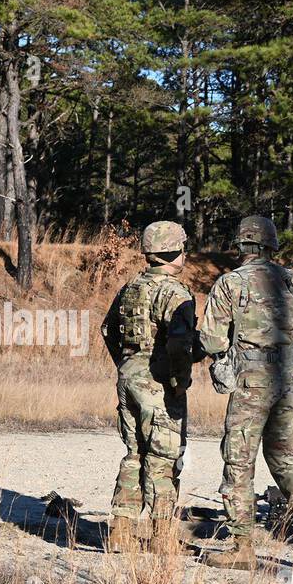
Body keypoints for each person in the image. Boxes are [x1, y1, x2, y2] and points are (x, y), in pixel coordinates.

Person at [198, 215, 293, 567]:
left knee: (239, 461)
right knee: (285, 459)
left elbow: (211, 338)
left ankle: (242, 547)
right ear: (270, 245)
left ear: (243, 244)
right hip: (287, 381)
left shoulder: (230, 283)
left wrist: (224, 360)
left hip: (251, 380)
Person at [100, 220, 197, 552]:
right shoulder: (175, 292)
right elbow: (181, 344)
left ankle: (120, 532)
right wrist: (180, 381)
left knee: (134, 454)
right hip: (158, 382)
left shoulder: (130, 286)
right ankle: (162, 538)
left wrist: (126, 364)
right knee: (163, 458)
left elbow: (107, 329)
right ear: (175, 251)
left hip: (129, 376)